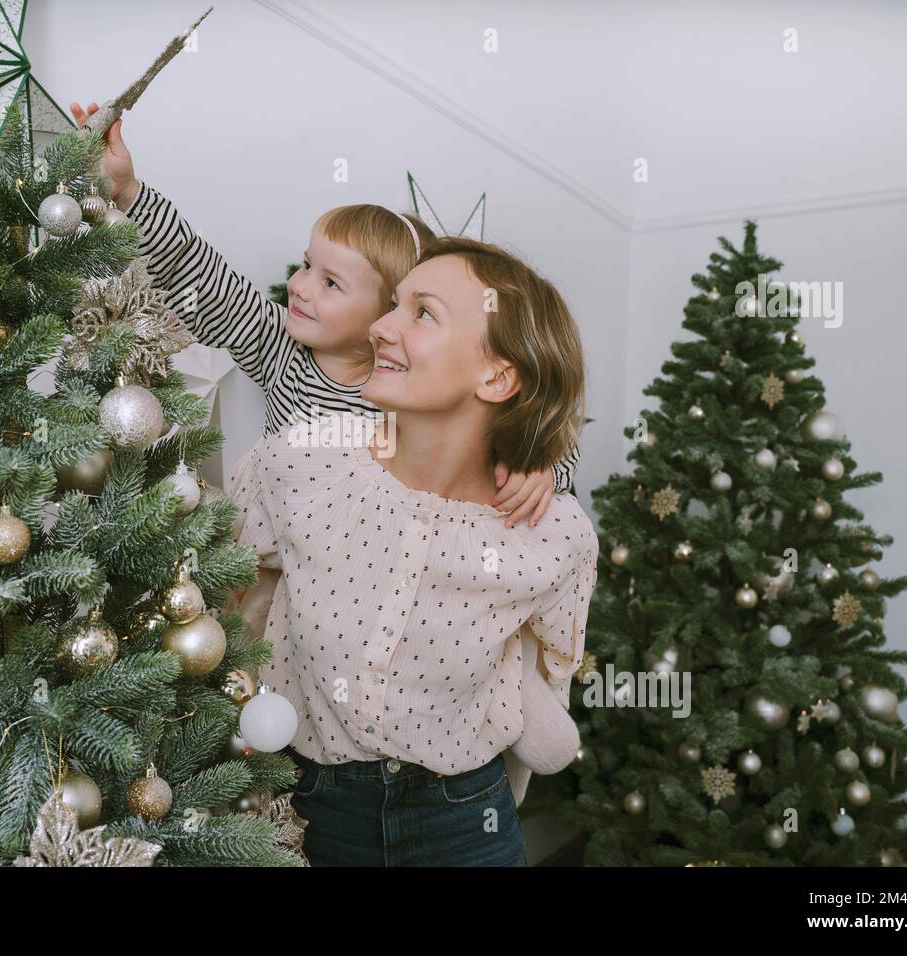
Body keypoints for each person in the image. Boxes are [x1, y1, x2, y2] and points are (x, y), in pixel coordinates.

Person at [234, 235, 598, 865]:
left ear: (497, 374)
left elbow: (542, 684)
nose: (379, 327)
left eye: (422, 312)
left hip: (466, 822)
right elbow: (231, 618)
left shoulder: (557, 534)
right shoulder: (295, 464)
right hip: (305, 807)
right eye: (392, 305)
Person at [68, 101, 580, 524]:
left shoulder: (413, 394)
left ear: (387, 312)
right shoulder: (280, 349)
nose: (298, 285)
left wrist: (541, 469)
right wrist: (129, 193)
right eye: (307, 265)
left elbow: (527, 420)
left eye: (331, 282)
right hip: (275, 570)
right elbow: (199, 274)